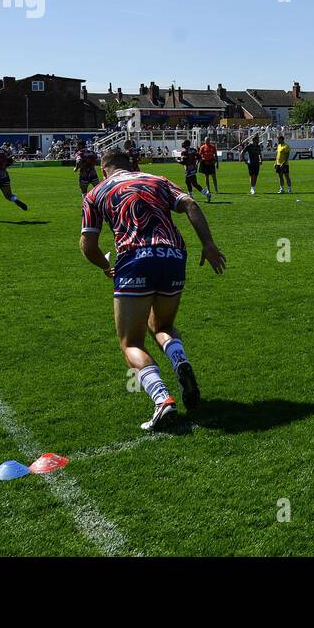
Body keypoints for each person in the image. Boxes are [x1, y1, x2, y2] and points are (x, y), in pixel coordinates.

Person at [79, 148, 227, 431]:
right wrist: (208, 245)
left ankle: (162, 400)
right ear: (132, 164)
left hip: (135, 258)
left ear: (103, 168)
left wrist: (104, 266)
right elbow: (191, 205)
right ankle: (179, 359)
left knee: (131, 342)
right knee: (162, 324)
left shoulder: (96, 193)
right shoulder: (157, 179)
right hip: (173, 256)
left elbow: (88, 244)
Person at [0, 135, 29, 220]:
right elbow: (11, 160)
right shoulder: (2, 150)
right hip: (3, 176)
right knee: (8, 195)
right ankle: (15, 199)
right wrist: (4, 166)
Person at [198, 136, 219, 201]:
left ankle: (216, 189)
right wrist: (201, 161)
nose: (207, 141)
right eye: (206, 140)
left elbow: (216, 155)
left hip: (211, 163)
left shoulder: (213, 147)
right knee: (206, 176)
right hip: (205, 163)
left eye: (208, 140)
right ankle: (208, 189)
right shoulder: (202, 147)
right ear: (204, 141)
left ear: (210, 141)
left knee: (214, 176)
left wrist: (217, 163)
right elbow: (199, 156)